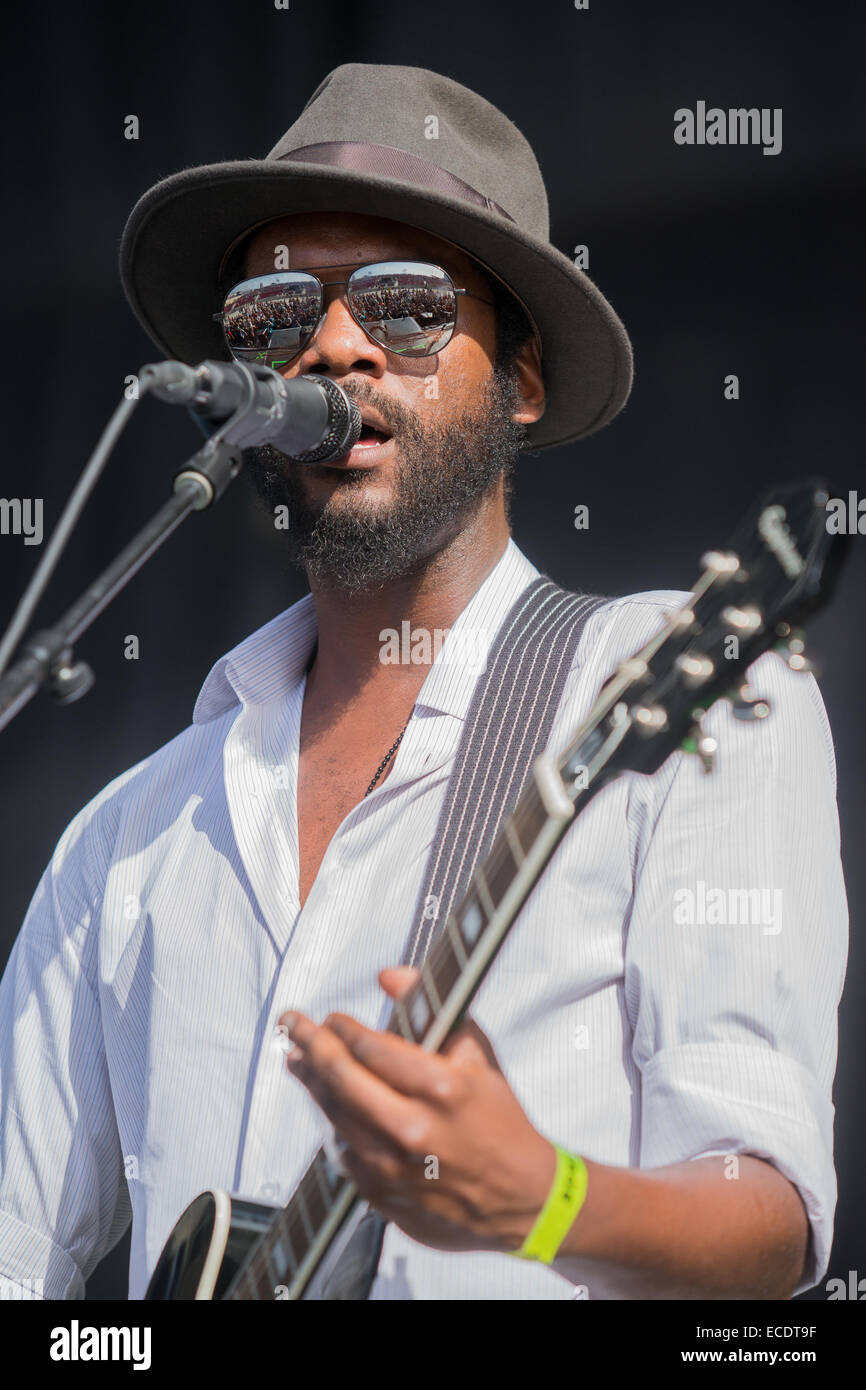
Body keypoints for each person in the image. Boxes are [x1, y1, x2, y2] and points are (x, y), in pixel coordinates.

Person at [0, 62, 846, 1301]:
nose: (335, 344)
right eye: (276, 314)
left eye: (403, 303)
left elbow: (765, 1214)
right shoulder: (125, 838)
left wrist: (543, 1196)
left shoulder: (674, 680)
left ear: (522, 378)